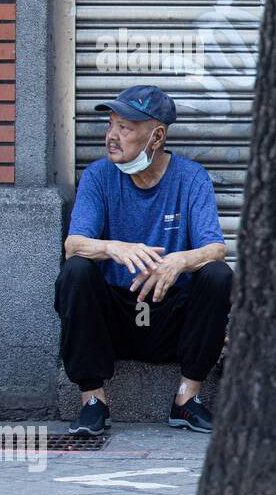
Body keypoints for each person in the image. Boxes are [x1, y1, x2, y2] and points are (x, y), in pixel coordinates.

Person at [56, 85, 231, 436]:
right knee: (76, 270)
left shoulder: (190, 177)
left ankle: (187, 399)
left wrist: (179, 261)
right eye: (110, 125)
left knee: (217, 275)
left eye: (126, 128)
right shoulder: (98, 177)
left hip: (170, 319)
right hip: (114, 320)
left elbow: (216, 249)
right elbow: (73, 245)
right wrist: (113, 248)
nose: (111, 136)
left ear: (157, 136)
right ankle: (93, 402)